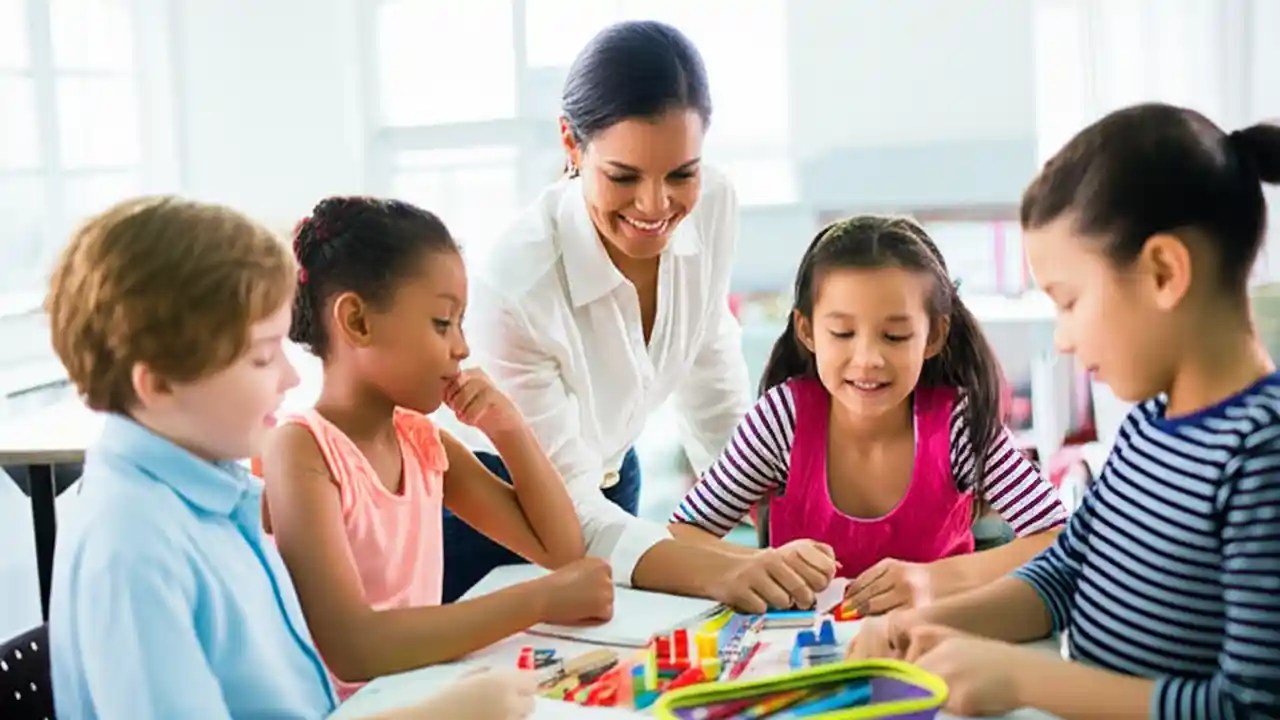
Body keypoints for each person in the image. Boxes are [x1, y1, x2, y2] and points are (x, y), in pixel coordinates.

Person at [848, 104, 1280, 719]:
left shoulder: (1262, 455)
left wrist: (1024, 680)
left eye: (1069, 302)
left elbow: (1251, 707)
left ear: (1164, 272)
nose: (1065, 339)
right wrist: (921, 625)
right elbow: (1064, 573)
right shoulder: (1147, 429)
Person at [45, 196, 540, 720]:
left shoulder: (211, 497)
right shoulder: (134, 546)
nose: (288, 376)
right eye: (262, 356)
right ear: (159, 384)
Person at [448, 19, 836, 613]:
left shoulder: (715, 204)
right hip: (497, 510)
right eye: (623, 177)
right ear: (571, 144)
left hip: (612, 484)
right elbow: (567, 511)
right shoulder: (514, 286)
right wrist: (722, 568)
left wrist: (779, 525)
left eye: (682, 173)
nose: (656, 206)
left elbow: (709, 369)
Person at [262, 197, 613, 699]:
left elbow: (561, 550)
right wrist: (539, 601)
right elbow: (353, 647)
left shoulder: (421, 442)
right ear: (357, 321)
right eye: (443, 323)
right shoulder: (301, 450)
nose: (462, 347)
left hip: (422, 694)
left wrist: (510, 429)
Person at [669, 215, 1066, 615]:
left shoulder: (957, 425)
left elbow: (1059, 537)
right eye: (842, 333)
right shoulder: (781, 420)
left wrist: (936, 580)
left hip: (934, 641)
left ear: (934, 335)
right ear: (807, 331)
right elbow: (680, 536)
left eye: (895, 336)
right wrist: (757, 564)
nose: (867, 359)